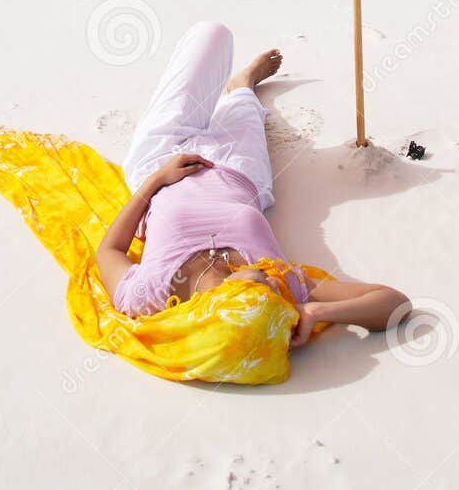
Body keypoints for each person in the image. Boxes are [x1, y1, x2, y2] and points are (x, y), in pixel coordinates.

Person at [95, 22, 409, 349]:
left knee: (212, 35)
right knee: (241, 94)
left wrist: (157, 179)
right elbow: (394, 302)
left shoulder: (153, 293)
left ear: (233, 294)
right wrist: (317, 311)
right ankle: (243, 86)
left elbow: (110, 251)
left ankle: (235, 94)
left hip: (160, 157)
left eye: (265, 288)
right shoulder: (284, 283)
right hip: (239, 166)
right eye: (277, 293)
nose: (273, 281)